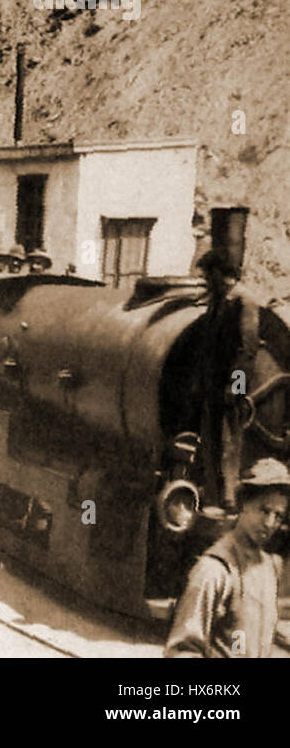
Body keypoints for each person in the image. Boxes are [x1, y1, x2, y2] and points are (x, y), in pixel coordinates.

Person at [165, 458, 290, 658]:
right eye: (264, 511)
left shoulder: (268, 568)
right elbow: (182, 650)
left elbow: (245, 641)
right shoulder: (215, 570)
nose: (270, 523)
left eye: (278, 516)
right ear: (243, 504)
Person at [193, 248, 260, 510]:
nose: (207, 281)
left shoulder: (244, 301)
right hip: (214, 386)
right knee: (211, 441)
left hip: (231, 388)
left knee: (230, 442)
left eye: (209, 276)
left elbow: (248, 349)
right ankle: (214, 495)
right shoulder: (218, 301)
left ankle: (230, 498)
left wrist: (237, 386)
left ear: (221, 274)